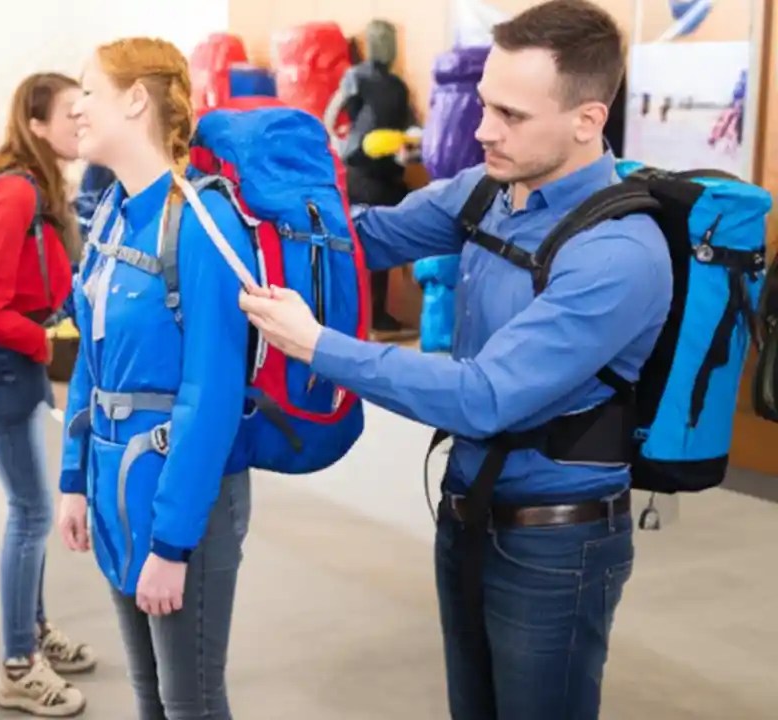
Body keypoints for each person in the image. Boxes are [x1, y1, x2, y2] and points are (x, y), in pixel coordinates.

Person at [241, 2, 670, 719]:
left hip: (557, 546)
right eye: (482, 105)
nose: (481, 130)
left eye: (511, 114)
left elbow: (483, 396)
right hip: (467, 512)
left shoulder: (618, 255)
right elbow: (358, 239)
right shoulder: (490, 190)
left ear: (588, 121)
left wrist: (314, 343)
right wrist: (239, 221)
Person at [58, 36, 256, 720]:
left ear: (136, 99)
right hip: (115, 485)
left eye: (87, 91)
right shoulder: (113, 212)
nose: (74, 107)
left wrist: (173, 541)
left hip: (180, 497)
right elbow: (91, 356)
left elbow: (213, 394)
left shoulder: (203, 220)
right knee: (150, 696)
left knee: (189, 701)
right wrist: (72, 478)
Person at [0, 72, 92, 718]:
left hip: (14, 362)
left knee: (29, 510)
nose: (81, 120)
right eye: (69, 112)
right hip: (3, 364)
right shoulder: (13, 192)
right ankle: (15, 665)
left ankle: (31, 634)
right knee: (32, 513)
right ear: (35, 125)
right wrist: (37, 345)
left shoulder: (33, 184)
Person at [323, 19, 420, 340]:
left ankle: (374, 314)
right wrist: (338, 144)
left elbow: (409, 127)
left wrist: (407, 148)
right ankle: (355, 312)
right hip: (363, 169)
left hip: (384, 171)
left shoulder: (395, 85)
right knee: (356, 243)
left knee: (376, 245)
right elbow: (337, 114)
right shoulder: (359, 77)